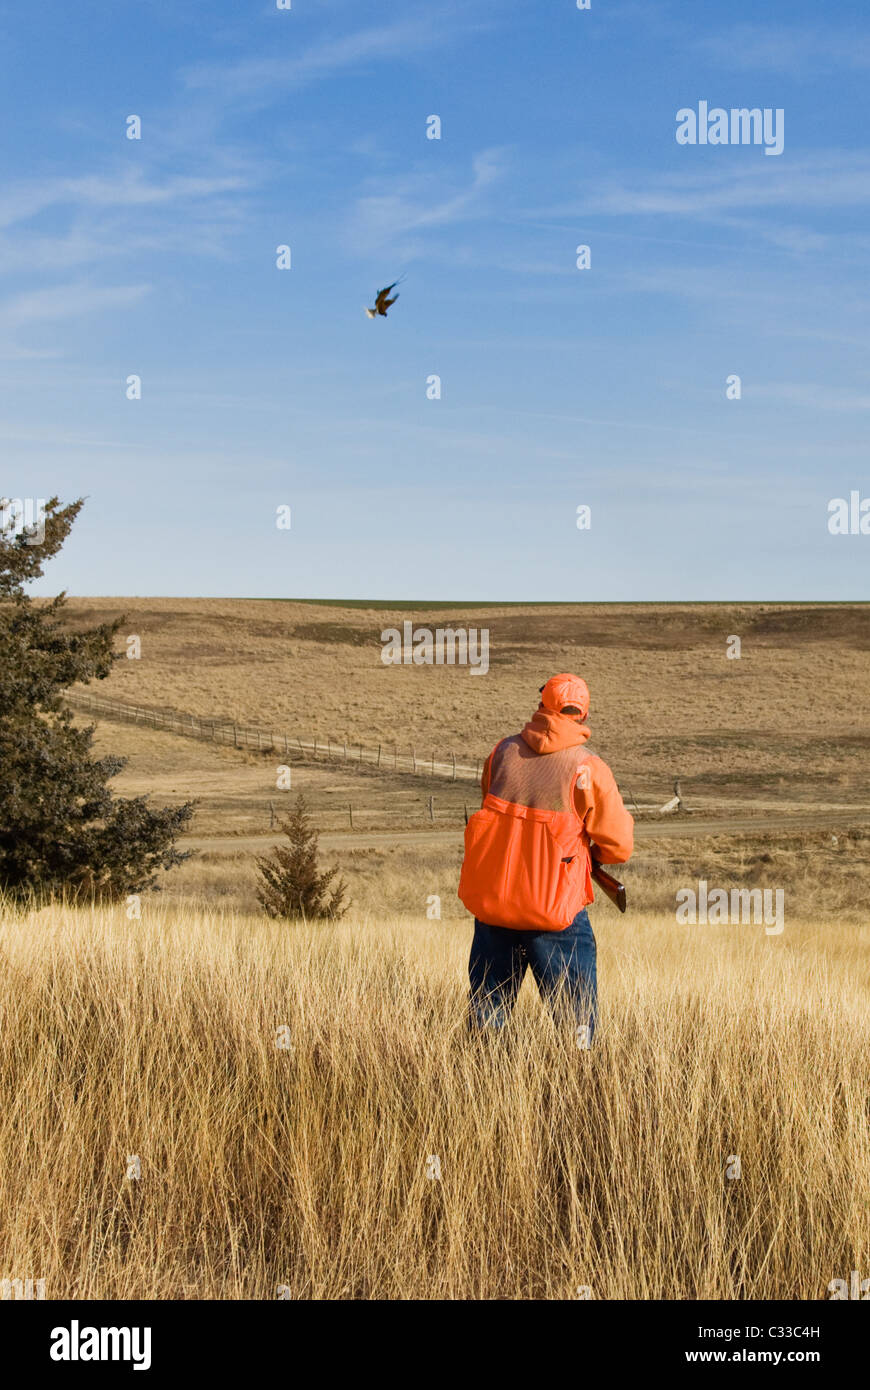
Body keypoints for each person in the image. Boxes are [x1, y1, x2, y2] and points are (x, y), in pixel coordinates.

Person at [458, 673, 633, 1043]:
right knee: (576, 1029)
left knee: (487, 1022)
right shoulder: (588, 768)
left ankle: (478, 1085)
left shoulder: (502, 752)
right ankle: (579, 1087)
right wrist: (587, 853)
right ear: (582, 715)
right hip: (555, 912)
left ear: (541, 705)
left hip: (495, 904)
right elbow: (619, 845)